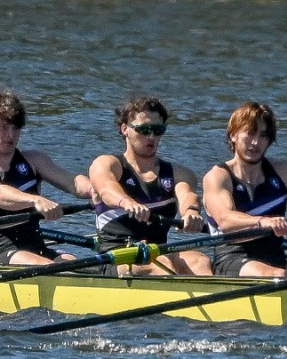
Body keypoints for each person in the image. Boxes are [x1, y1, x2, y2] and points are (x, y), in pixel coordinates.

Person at [0, 90, 93, 267]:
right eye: (3, 127)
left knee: (79, 264)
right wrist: (35, 200)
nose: (10, 135)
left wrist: (95, 190)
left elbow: (72, 182)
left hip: (36, 246)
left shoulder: (34, 160)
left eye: (15, 128)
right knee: (54, 268)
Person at [87, 96, 213, 276]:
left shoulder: (179, 173)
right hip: (116, 257)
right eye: (144, 130)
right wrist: (127, 202)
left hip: (157, 252)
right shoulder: (108, 164)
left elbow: (187, 195)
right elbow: (106, 189)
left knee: (200, 260)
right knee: (163, 264)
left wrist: (191, 212)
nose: (151, 136)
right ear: (125, 129)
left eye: (157, 130)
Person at [201, 101, 287, 278]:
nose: (256, 142)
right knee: (276, 274)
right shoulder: (218, 176)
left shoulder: (284, 171)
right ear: (233, 135)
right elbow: (224, 219)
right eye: (250, 133)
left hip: (276, 257)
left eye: (263, 135)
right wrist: (262, 221)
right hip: (233, 258)